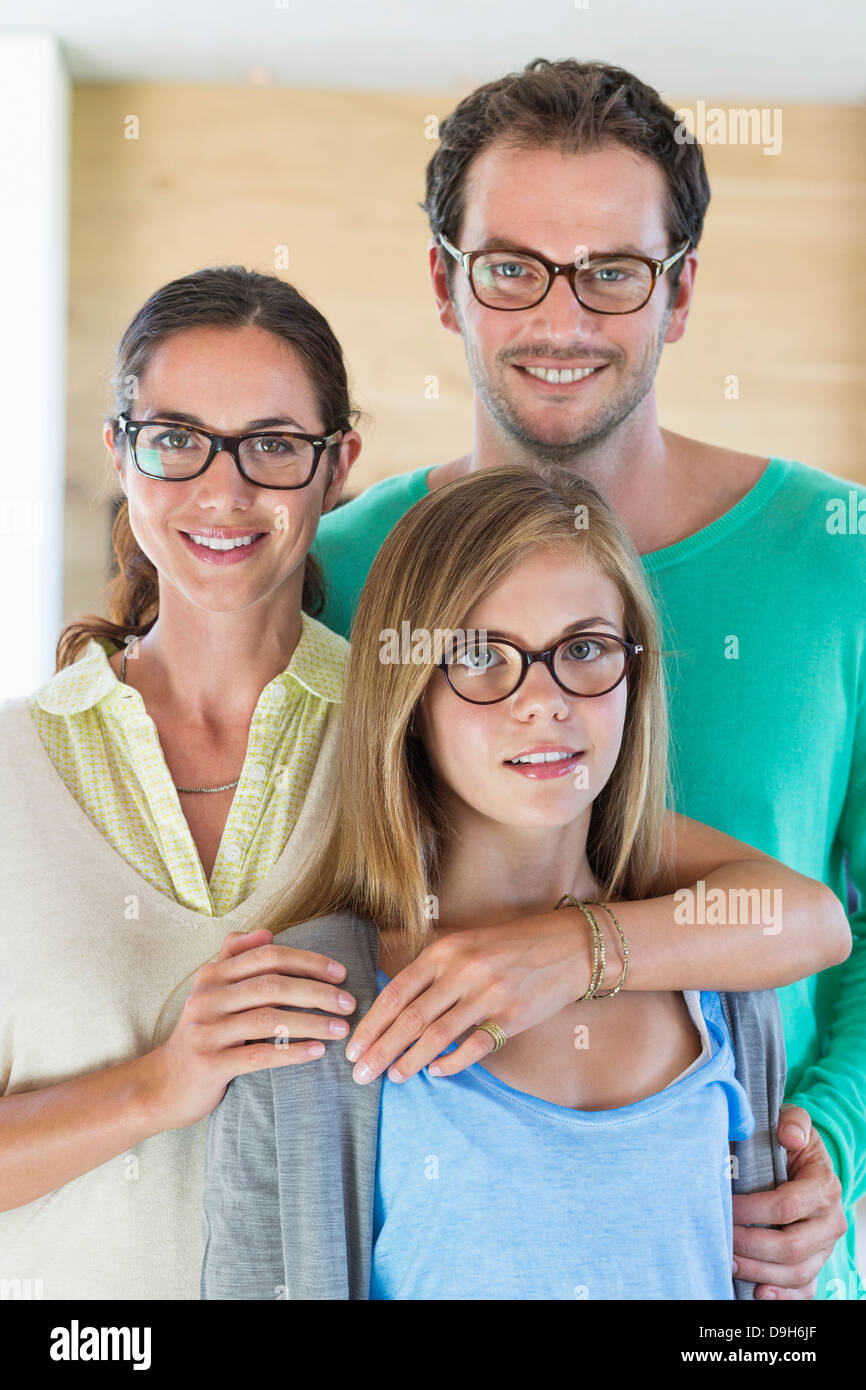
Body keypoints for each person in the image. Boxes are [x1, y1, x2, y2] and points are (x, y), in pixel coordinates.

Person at [311, 58, 866, 1300]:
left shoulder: (844, 561)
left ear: (675, 298)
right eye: (510, 266)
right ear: (445, 287)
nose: (559, 320)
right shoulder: (341, 578)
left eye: (611, 272)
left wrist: (831, 1138)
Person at [201, 465, 849, 1300]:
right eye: (479, 656)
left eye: (583, 649)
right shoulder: (311, 1011)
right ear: (410, 694)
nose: (544, 701)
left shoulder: (722, 988)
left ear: (635, 675)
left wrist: (574, 951)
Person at [0, 265, 370, 1298]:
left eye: (272, 445)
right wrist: (159, 1084)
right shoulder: (7, 767)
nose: (223, 490)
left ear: (335, 466)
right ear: (121, 452)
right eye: (176, 439)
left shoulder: (411, 739)